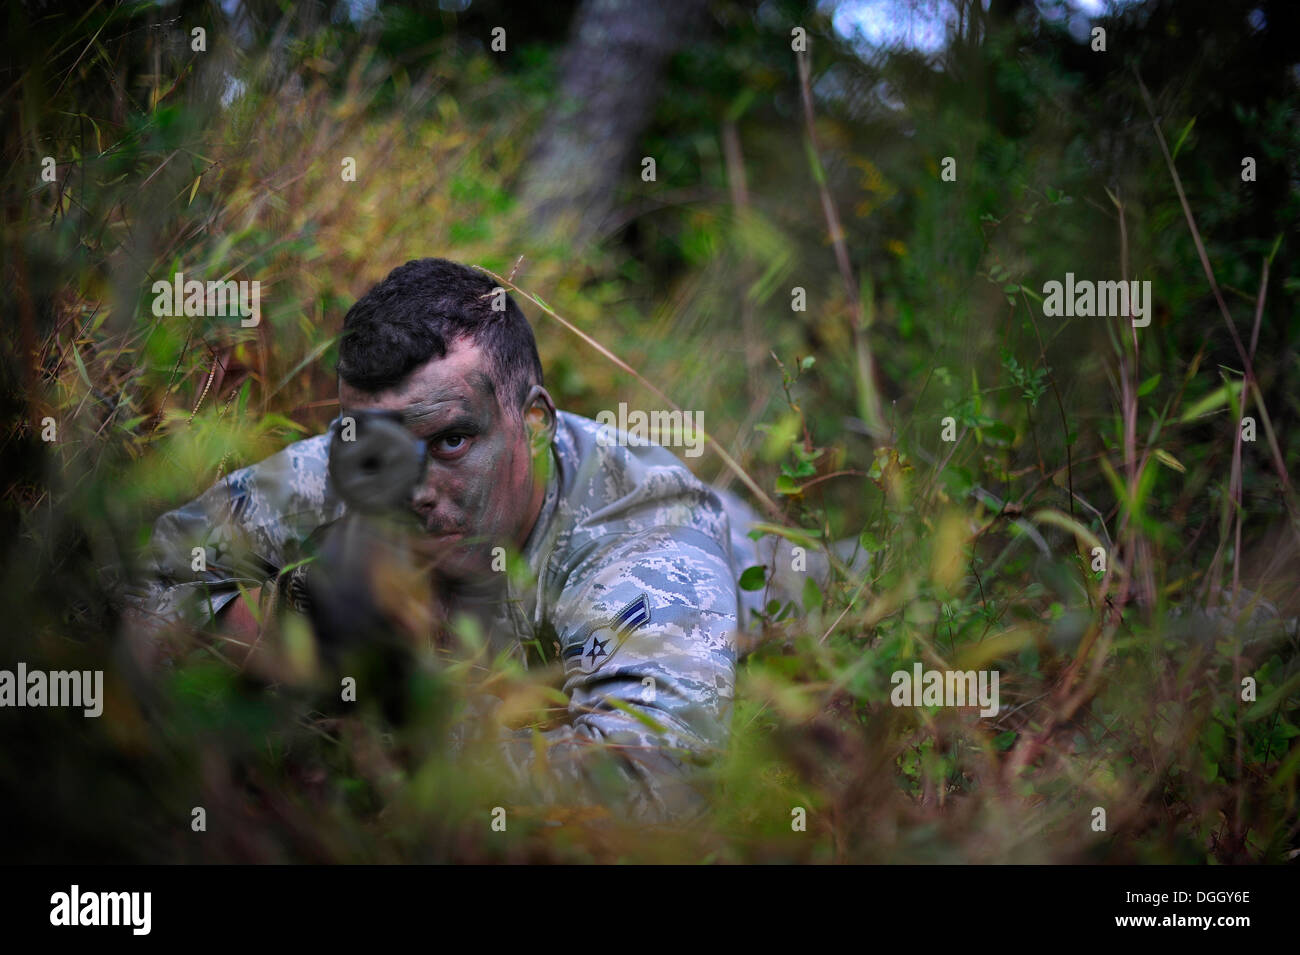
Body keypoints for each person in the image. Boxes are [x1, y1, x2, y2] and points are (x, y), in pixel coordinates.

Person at [126, 256, 819, 822]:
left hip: (779, 566)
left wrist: (409, 717)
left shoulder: (644, 536)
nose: (412, 490)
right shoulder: (357, 466)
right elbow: (154, 566)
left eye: (452, 442)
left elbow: (653, 792)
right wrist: (274, 650)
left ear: (535, 425)